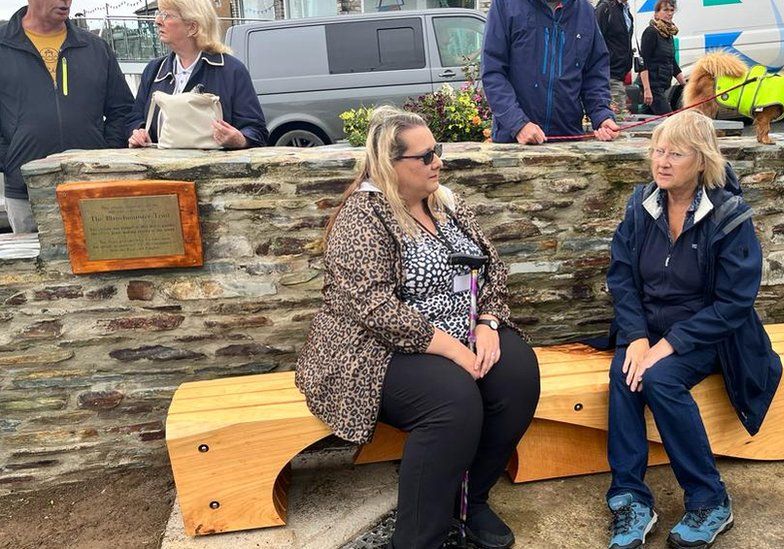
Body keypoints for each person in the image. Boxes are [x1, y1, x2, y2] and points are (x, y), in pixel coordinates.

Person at [295, 107, 540, 549]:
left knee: (518, 375)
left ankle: (470, 501)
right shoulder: (363, 216)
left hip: (461, 327)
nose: (437, 162)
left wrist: (487, 322)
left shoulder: (443, 200)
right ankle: (417, 538)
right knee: (453, 401)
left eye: (437, 151)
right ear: (390, 166)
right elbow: (374, 307)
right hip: (374, 349)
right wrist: (450, 349)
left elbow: (492, 267)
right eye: (425, 156)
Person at [604, 110, 782, 549]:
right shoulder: (642, 204)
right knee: (625, 371)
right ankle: (630, 497)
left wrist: (670, 344)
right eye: (658, 151)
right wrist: (636, 336)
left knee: (659, 379)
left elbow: (735, 302)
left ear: (701, 161)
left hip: (710, 334)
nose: (662, 162)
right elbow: (622, 275)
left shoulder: (729, 216)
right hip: (649, 328)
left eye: (675, 154)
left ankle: (710, 500)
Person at [0, 0, 133, 233]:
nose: (65, 1)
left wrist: (104, 153)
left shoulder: (96, 48)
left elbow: (121, 109)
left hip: (91, 188)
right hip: (26, 193)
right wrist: (10, 160)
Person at [127, 0, 268, 149]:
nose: (157, 21)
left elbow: (257, 131)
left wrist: (240, 139)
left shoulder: (232, 70)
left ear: (192, 27)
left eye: (166, 15)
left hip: (215, 170)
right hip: (160, 170)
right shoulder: (154, 69)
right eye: (158, 14)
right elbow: (134, 118)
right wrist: (139, 132)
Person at [482, 0, 621, 144]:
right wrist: (518, 124)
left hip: (567, 141)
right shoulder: (505, 4)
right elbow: (493, 72)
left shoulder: (585, 11)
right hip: (513, 142)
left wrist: (602, 116)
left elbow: (594, 74)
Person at [638, 0, 686, 116]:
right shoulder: (651, 32)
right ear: (656, 14)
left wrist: (685, 85)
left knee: (648, 120)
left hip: (662, 85)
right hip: (652, 86)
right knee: (669, 119)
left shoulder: (668, 34)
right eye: (665, 10)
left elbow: (672, 63)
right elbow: (643, 62)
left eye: (671, 10)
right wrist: (647, 90)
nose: (669, 13)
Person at [595, 0, 635, 116]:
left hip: (620, 75)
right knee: (618, 121)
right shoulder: (605, 9)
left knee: (619, 120)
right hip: (608, 74)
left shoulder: (626, 12)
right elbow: (595, 41)